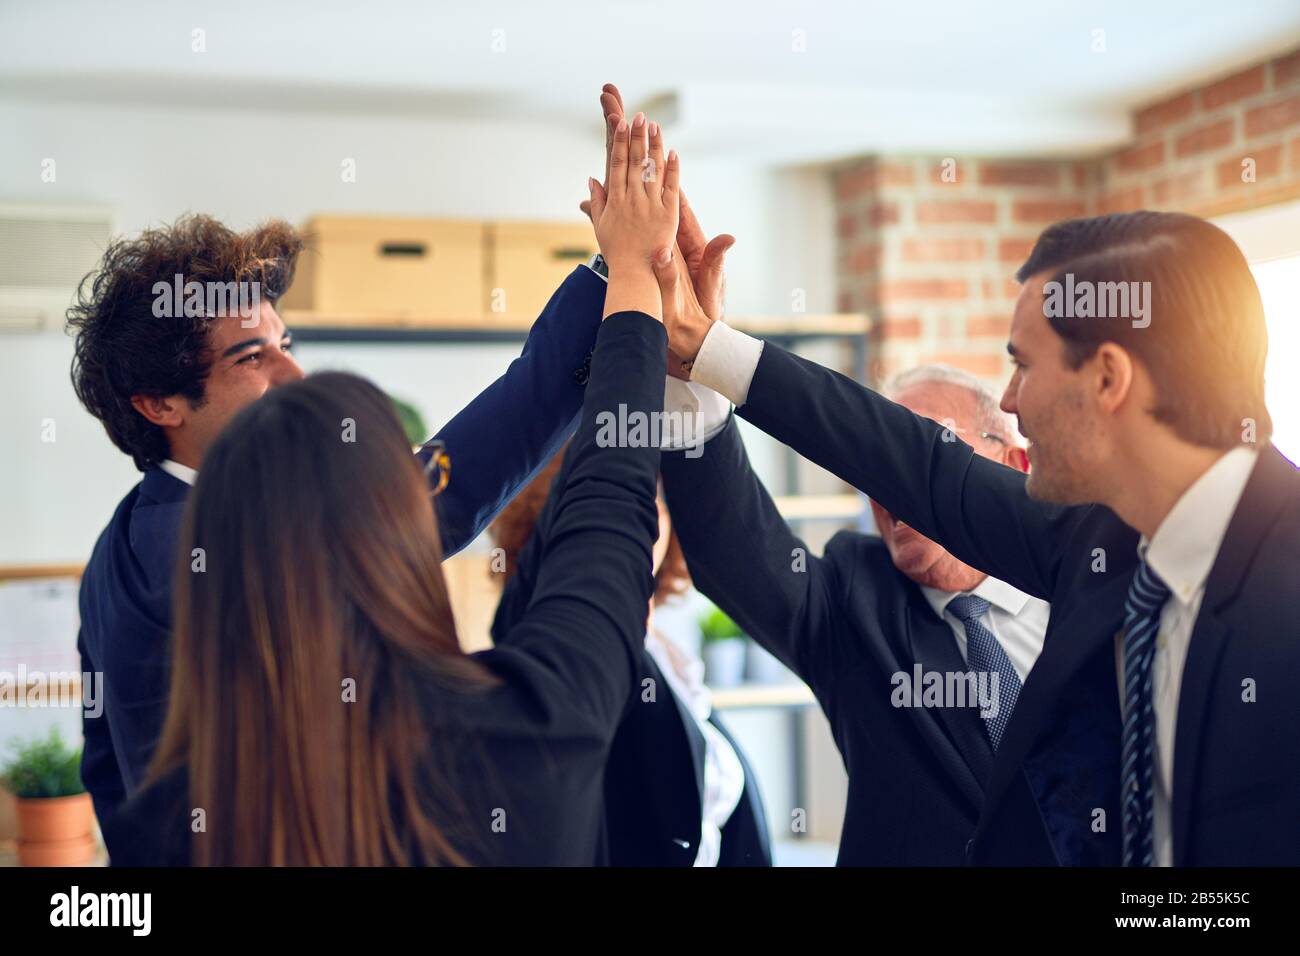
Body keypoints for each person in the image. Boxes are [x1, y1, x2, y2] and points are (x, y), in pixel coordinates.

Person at [105, 112, 681, 865]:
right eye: (252, 357)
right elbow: (592, 511)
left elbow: (474, 456)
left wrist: (619, 277)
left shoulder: (123, 546)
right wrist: (634, 284)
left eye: (288, 344)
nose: (291, 375)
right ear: (160, 404)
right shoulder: (213, 545)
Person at [650, 207, 1300, 866]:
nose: (1013, 400)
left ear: (1108, 378)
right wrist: (707, 347)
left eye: (1024, 363)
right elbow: (912, 462)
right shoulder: (1099, 543)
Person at [660, 364, 1048, 864]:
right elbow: (733, 548)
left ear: (1012, 464)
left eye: (926, 452)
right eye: (879, 466)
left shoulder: (1087, 582)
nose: (894, 485)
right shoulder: (854, 600)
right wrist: (692, 372)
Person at [490, 444, 772, 866]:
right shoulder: (552, 649)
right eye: (608, 509)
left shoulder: (672, 661)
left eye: (650, 498)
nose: (637, 521)